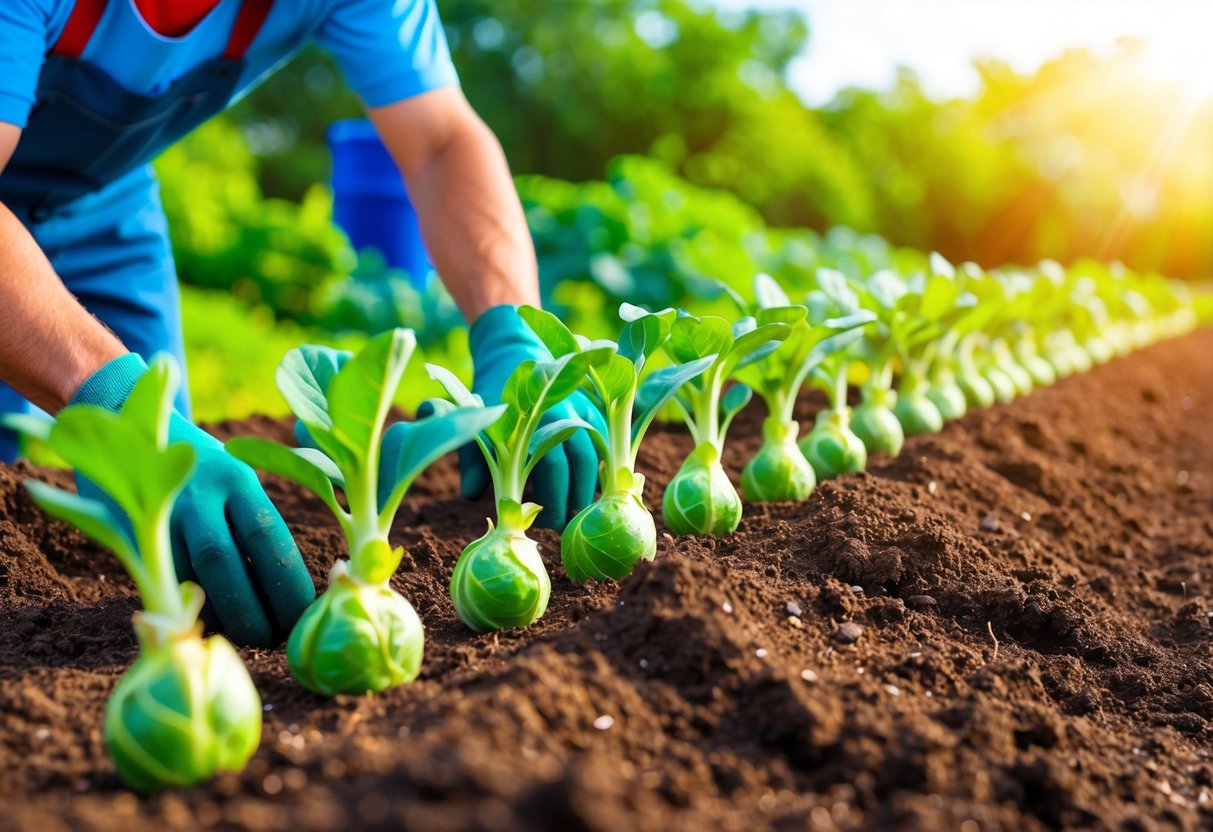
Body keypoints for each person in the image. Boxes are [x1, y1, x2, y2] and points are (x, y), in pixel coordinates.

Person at [0, 0, 601, 646]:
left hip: (103, 201)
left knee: (175, 509)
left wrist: (513, 332)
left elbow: (440, 142)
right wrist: (106, 394)